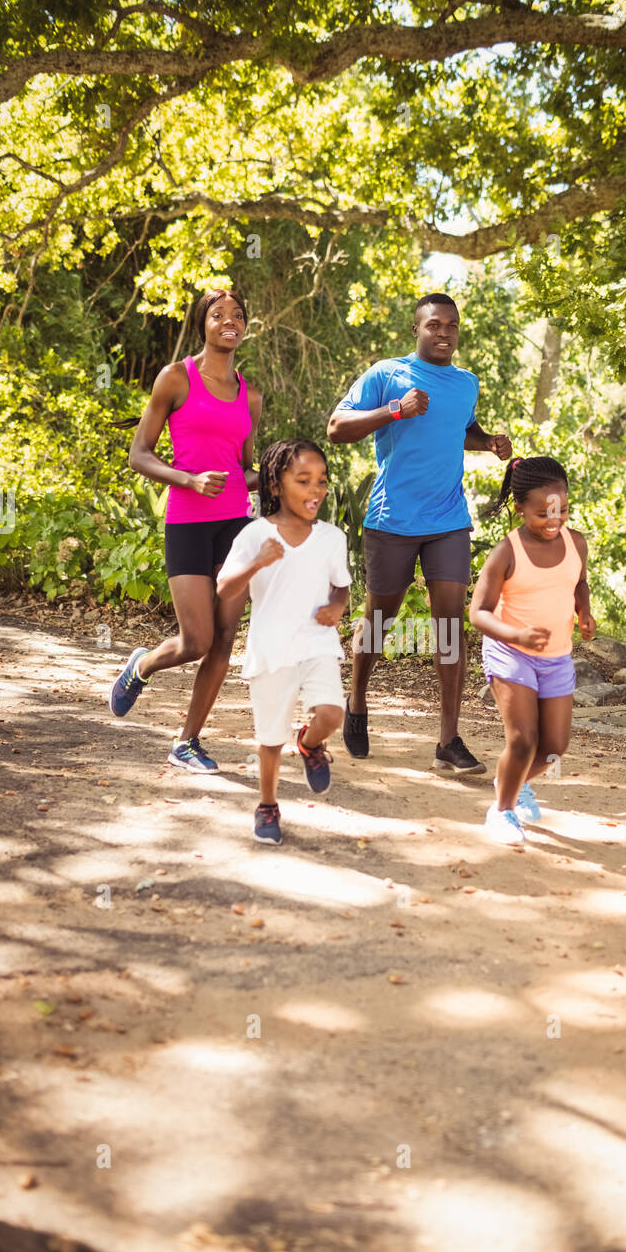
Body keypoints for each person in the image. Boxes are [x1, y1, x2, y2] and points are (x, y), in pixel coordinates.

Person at [327, 292, 511, 774]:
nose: (444, 332)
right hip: (393, 519)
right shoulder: (387, 374)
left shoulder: (466, 383)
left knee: (449, 621)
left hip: (448, 519)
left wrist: (487, 442)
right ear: (417, 330)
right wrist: (394, 411)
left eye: (452, 325)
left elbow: (460, 430)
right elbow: (336, 427)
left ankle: (448, 739)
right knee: (380, 619)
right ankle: (358, 699)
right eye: (434, 325)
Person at [109, 289, 262, 772]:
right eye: (219, 315)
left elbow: (245, 468)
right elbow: (139, 454)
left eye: (237, 316)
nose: (229, 321)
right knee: (195, 640)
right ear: (204, 324)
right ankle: (143, 665)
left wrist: (284, 474)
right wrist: (189, 478)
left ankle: (187, 742)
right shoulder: (176, 378)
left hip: (236, 526)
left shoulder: (250, 393)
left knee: (223, 641)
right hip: (188, 522)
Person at [216, 438, 351, 845]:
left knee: (332, 713)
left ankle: (310, 745)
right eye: (304, 480)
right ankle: (268, 804)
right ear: (275, 485)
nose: (316, 490)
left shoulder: (331, 537)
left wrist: (338, 607)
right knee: (270, 738)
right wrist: (257, 562)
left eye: (322, 482)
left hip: (317, 642)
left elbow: (341, 587)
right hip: (272, 648)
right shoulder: (254, 534)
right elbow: (224, 588)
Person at [468, 455, 597, 845]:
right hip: (511, 653)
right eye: (542, 514)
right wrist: (517, 636)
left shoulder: (575, 543)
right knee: (523, 739)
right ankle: (502, 811)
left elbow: (578, 583)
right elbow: (477, 613)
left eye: (562, 511)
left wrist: (585, 611)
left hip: (557, 657)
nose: (554, 521)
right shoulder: (506, 553)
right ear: (520, 508)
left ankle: (511, 779)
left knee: (555, 749)